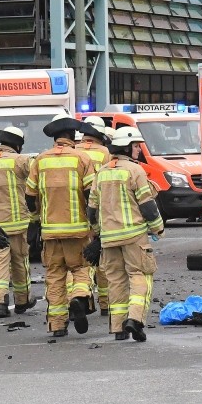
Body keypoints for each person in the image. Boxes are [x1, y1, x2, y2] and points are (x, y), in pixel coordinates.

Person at [25, 114, 98, 338]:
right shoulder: (82, 159)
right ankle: (78, 297)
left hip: (50, 232)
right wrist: (95, 226)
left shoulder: (40, 160)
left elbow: (29, 195)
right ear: (71, 137)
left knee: (55, 276)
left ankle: (57, 325)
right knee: (82, 269)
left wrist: (36, 219)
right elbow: (91, 195)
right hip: (78, 231)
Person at [92, 126, 164, 342]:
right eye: (136, 146)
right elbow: (147, 204)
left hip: (109, 239)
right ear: (126, 147)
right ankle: (134, 319)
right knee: (141, 275)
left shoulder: (102, 172)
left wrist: (97, 235)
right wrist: (158, 228)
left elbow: (92, 210)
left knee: (115, 281)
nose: (138, 150)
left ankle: (117, 328)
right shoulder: (135, 171)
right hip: (134, 236)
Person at [0, 127, 35, 319]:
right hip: (19, 223)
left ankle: (0, 302)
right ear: (17, 144)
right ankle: (22, 301)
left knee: (0, 264)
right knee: (20, 262)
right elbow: (37, 180)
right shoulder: (21, 161)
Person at [76, 121, 114, 315]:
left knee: (81, 261)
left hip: (74, 214)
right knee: (102, 258)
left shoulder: (74, 152)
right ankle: (105, 304)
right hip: (99, 212)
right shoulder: (105, 153)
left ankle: (82, 298)